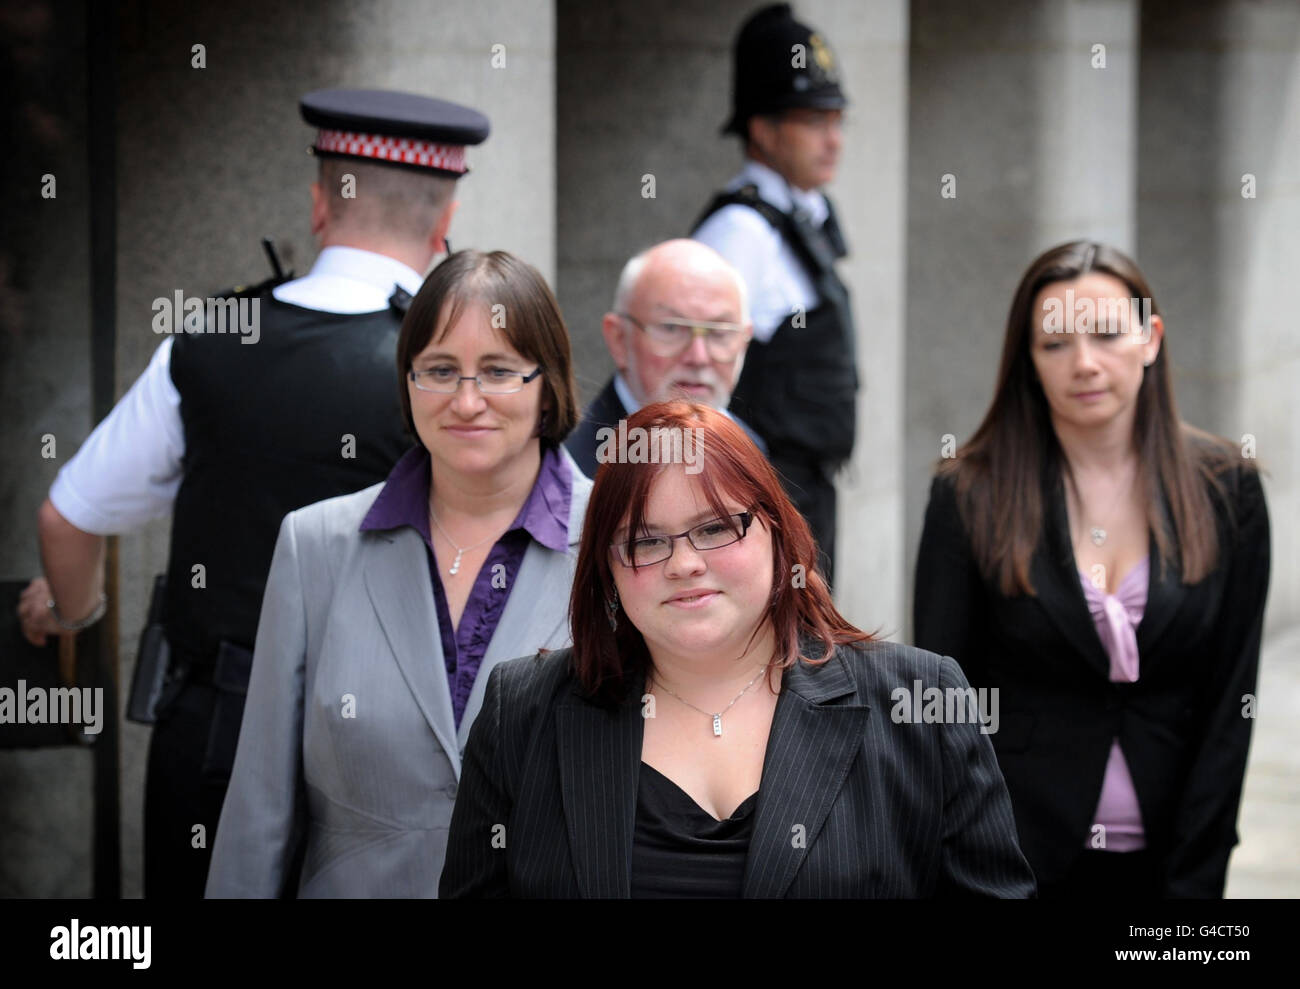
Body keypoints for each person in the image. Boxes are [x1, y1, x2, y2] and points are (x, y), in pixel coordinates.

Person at [16, 87, 489, 898]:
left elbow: (67, 516)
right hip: (395, 743)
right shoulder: (457, 373)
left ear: (318, 206)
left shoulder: (208, 340)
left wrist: (70, 612)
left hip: (214, 734)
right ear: (442, 223)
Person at [440, 401, 1035, 898]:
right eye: (645, 541)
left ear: (778, 531)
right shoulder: (520, 711)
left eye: (716, 527)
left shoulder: (919, 704)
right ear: (607, 571)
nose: (685, 564)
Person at [206, 249, 588, 897]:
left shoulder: (624, 542)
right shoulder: (315, 544)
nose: (467, 401)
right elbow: (259, 807)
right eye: (440, 370)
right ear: (407, 382)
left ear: (547, 384)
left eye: (497, 371)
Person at [913, 241, 1271, 899]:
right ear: (1028, 359)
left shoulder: (1229, 489)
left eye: (1107, 334)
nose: (1084, 363)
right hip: (1012, 858)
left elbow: (1231, 705)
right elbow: (943, 702)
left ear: (1150, 337)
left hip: (1172, 860)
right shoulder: (969, 494)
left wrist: (1196, 876)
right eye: (1054, 343)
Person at [693, 3, 858, 584]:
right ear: (763, 130)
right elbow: (698, 377)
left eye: (837, 121)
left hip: (805, 489)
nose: (833, 140)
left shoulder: (802, 214)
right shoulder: (739, 231)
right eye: (814, 122)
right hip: (763, 493)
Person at [564, 239, 764, 478]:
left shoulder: (750, 449)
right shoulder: (568, 474)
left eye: (719, 332)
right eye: (671, 328)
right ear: (618, 339)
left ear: (745, 340)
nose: (698, 357)